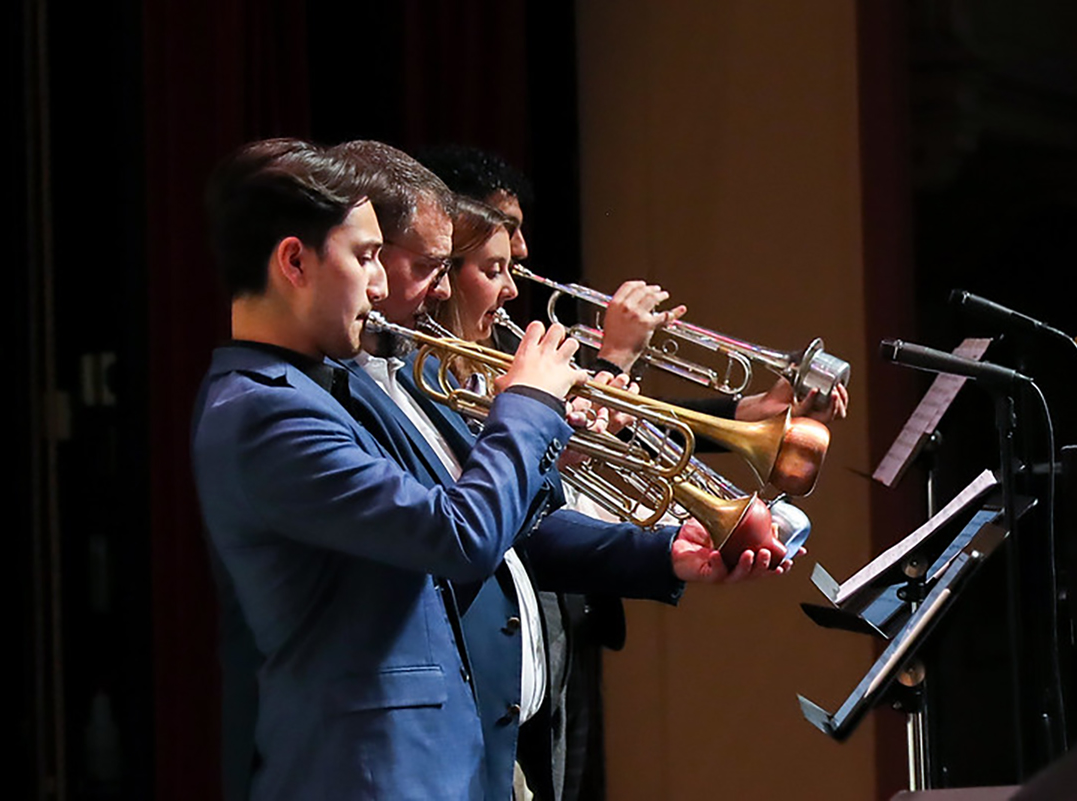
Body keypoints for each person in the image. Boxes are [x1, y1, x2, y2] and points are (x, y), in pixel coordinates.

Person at [330, 140, 794, 801]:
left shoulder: (410, 373)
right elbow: (460, 533)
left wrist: (669, 554)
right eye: (429, 265)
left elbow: (527, 526)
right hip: (423, 746)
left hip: (506, 717)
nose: (513, 283)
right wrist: (552, 403)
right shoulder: (331, 397)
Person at [193, 137, 593, 800]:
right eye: (366, 257)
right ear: (294, 260)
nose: (381, 285)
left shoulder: (320, 388)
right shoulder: (264, 413)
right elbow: (458, 537)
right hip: (372, 775)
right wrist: (525, 405)